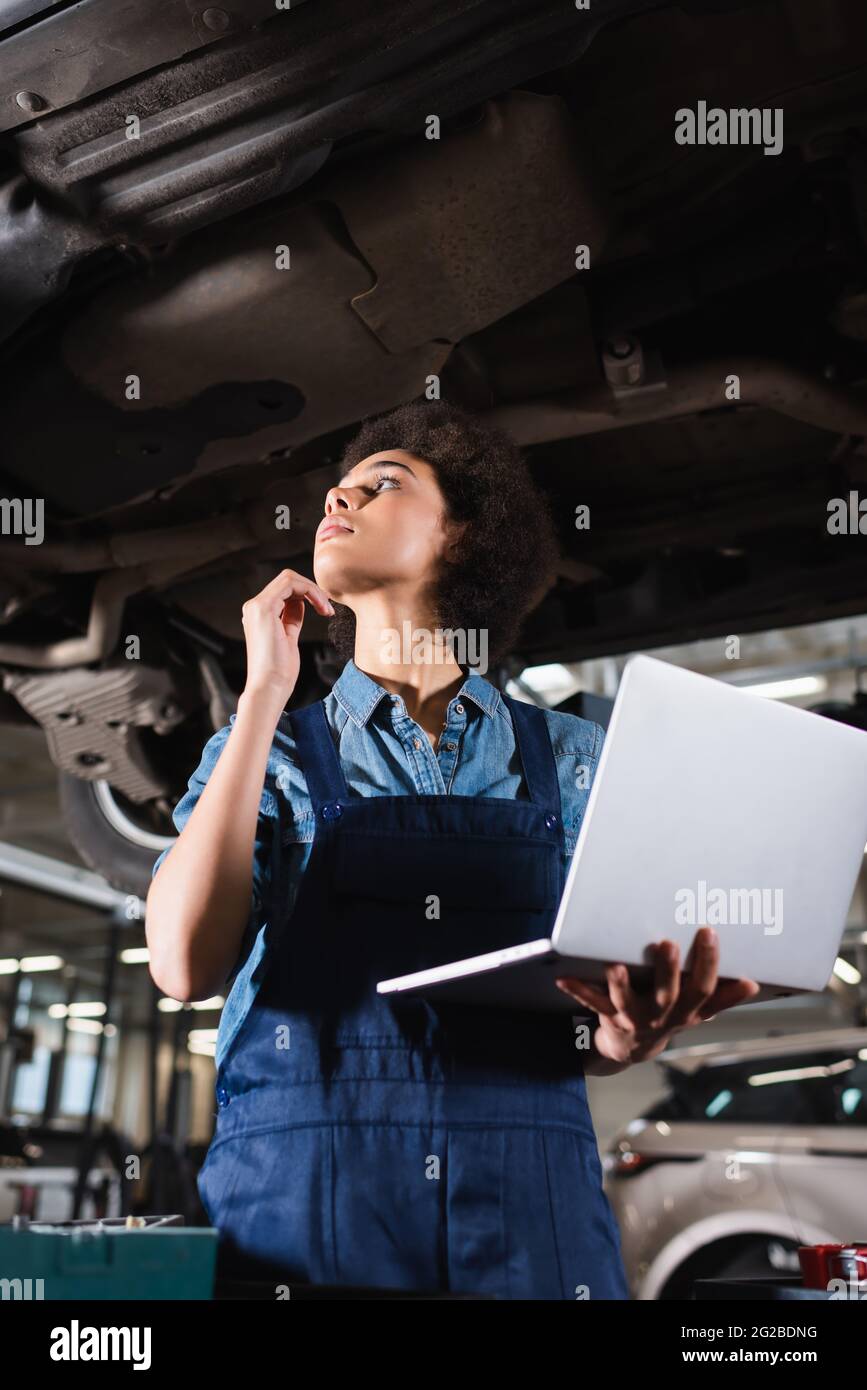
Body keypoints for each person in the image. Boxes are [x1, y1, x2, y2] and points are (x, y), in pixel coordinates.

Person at [146, 399, 759, 1299]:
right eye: (337, 490)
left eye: (382, 484)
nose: (338, 500)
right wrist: (262, 695)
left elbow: (587, 1015)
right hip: (307, 1203)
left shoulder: (576, 759)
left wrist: (623, 1037)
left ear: (464, 534)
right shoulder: (266, 750)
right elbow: (182, 965)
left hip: (530, 1205)